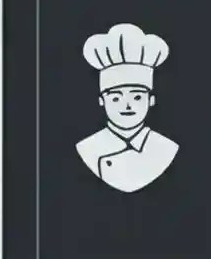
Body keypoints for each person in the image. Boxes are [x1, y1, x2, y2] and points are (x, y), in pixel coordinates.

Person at [75, 23, 178, 193]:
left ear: (151, 100)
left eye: (137, 96)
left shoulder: (166, 148)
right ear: (102, 101)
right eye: (116, 98)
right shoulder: (87, 147)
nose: (127, 105)